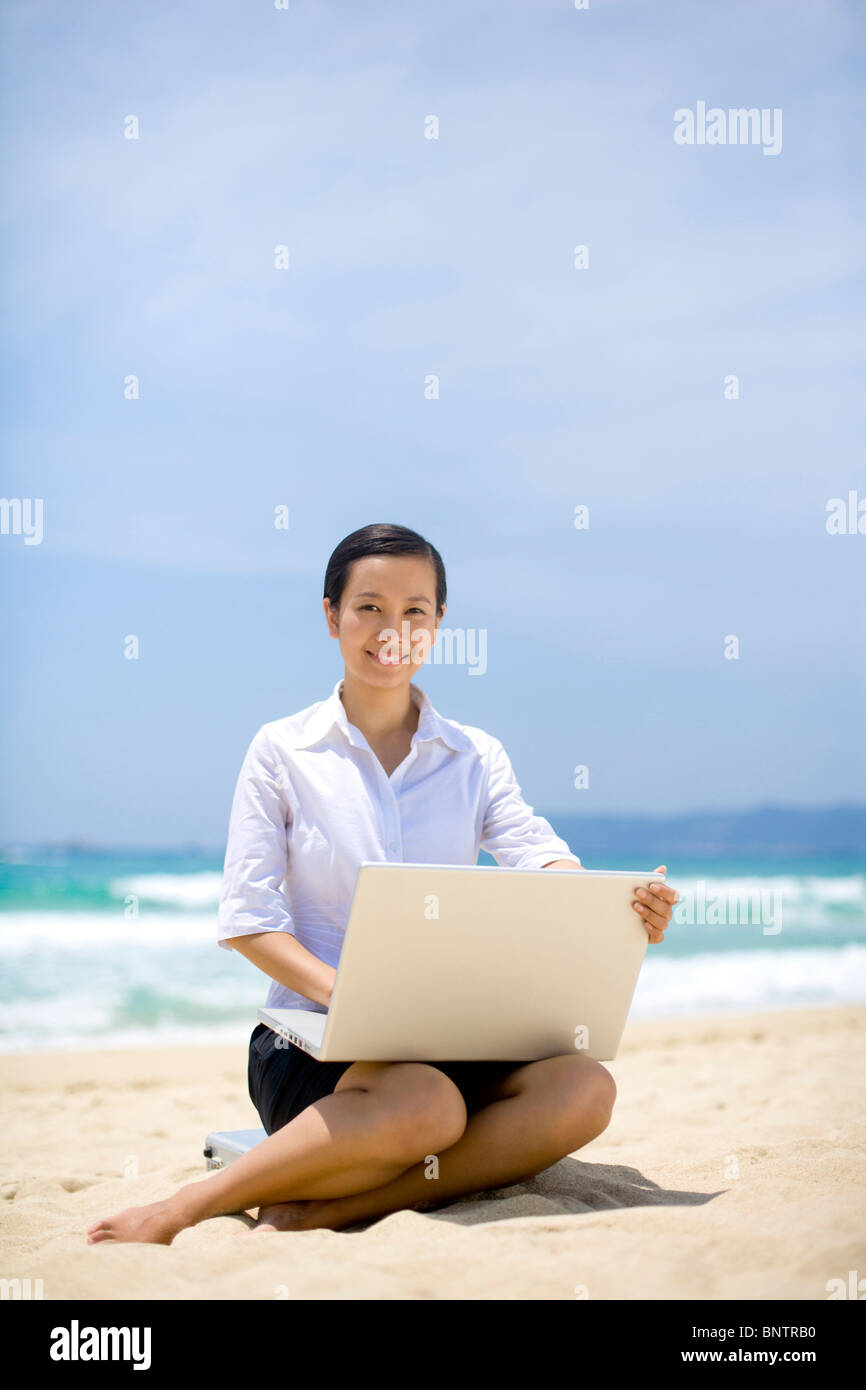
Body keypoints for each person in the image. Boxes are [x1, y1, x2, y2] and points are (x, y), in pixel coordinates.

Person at [87, 522, 676, 1245]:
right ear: (331, 615)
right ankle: (189, 1204)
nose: (392, 629)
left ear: (439, 625)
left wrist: (611, 908)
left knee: (586, 1090)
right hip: (316, 1047)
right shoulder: (282, 750)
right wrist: (358, 998)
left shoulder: (474, 755)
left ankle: (340, 1208)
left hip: (454, 1035)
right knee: (428, 1107)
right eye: (369, 607)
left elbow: (538, 856)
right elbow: (248, 921)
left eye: (416, 611)